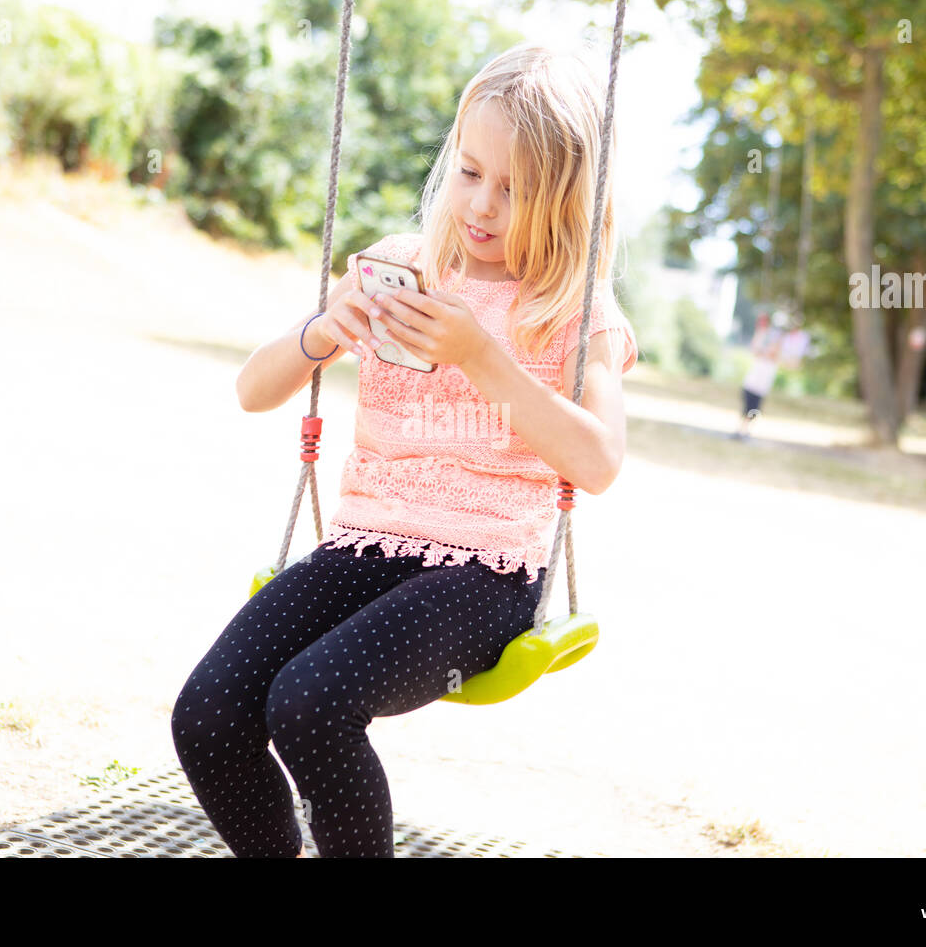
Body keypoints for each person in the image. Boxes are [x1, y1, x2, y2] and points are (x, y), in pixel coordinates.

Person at [170, 44, 639, 858]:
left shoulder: (574, 311)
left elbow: (597, 462)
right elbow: (252, 389)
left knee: (310, 702)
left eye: (516, 189)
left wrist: (481, 356)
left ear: (563, 201)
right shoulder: (400, 267)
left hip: (485, 575)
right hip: (363, 549)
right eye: (469, 172)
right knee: (209, 712)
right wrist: (324, 332)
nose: (483, 206)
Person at [733, 311, 785, 439]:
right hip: (754, 376)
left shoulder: (775, 337)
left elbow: (772, 353)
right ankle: (741, 428)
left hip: (763, 378)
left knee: (754, 406)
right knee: (746, 401)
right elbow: (755, 350)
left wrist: (765, 352)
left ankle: (747, 430)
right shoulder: (761, 335)